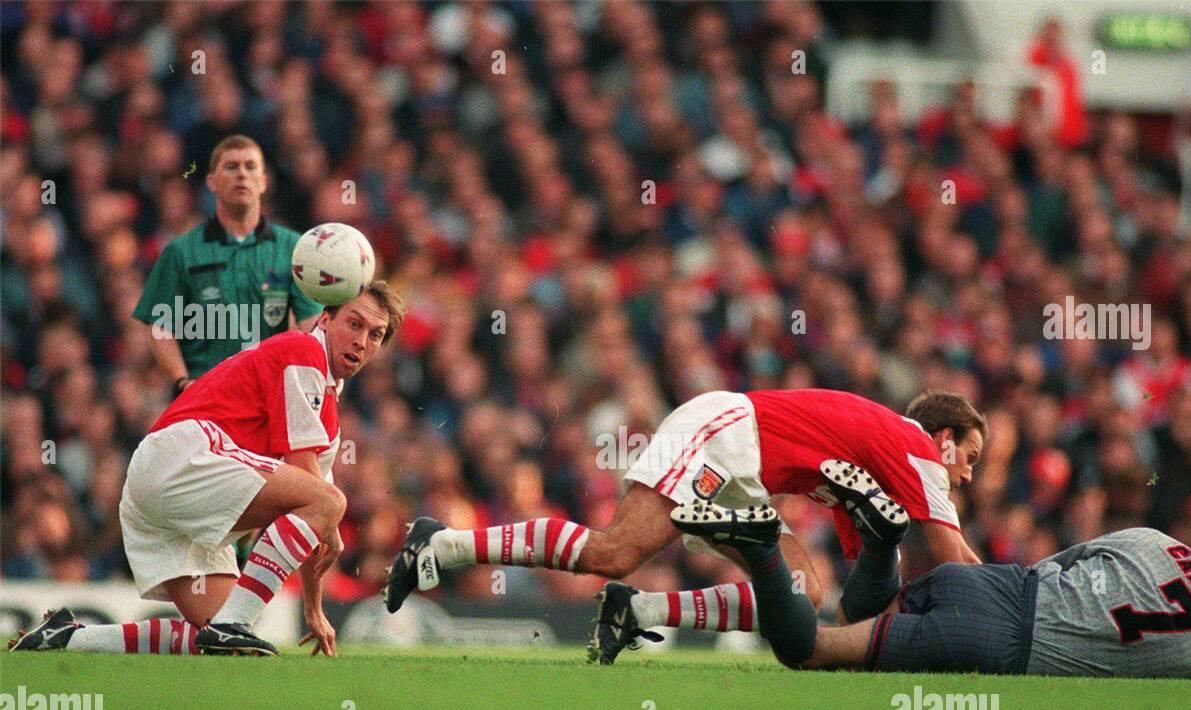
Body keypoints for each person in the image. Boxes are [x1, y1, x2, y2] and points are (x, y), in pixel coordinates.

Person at [383, 388, 986, 663]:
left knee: (805, 590)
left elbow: (858, 608)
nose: (966, 476)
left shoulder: (880, 467)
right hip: (722, 436)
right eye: (970, 458)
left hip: (742, 470)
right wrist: (1020, 607)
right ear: (944, 439)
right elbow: (953, 555)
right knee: (616, 551)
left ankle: (635, 613)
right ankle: (439, 543)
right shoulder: (919, 452)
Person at [8, 283, 406, 657]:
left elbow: (312, 517)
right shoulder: (303, 352)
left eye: (375, 334)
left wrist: (314, 608)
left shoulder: (329, 420)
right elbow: (315, 496)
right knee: (324, 506)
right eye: (354, 323)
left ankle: (68, 638)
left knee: (213, 638)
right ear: (324, 318)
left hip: (161, 493)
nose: (361, 340)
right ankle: (235, 621)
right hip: (183, 457)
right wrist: (330, 527)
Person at [668, 483, 1191, 680]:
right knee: (812, 652)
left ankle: (882, 548)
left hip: (991, 584)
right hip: (1000, 643)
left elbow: (1064, 563)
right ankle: (766, 550)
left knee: (851, 627)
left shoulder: (1156, 542)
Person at [133, 134, 324, 393]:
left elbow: (310, 322)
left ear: (264, 182)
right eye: (231, 167)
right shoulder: (180, 252)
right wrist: (183, 381)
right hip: (206, 396)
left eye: (250, 166)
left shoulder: (293, 248)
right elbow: (160, 326)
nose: (241, 175)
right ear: (211, 182)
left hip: (271, 394)